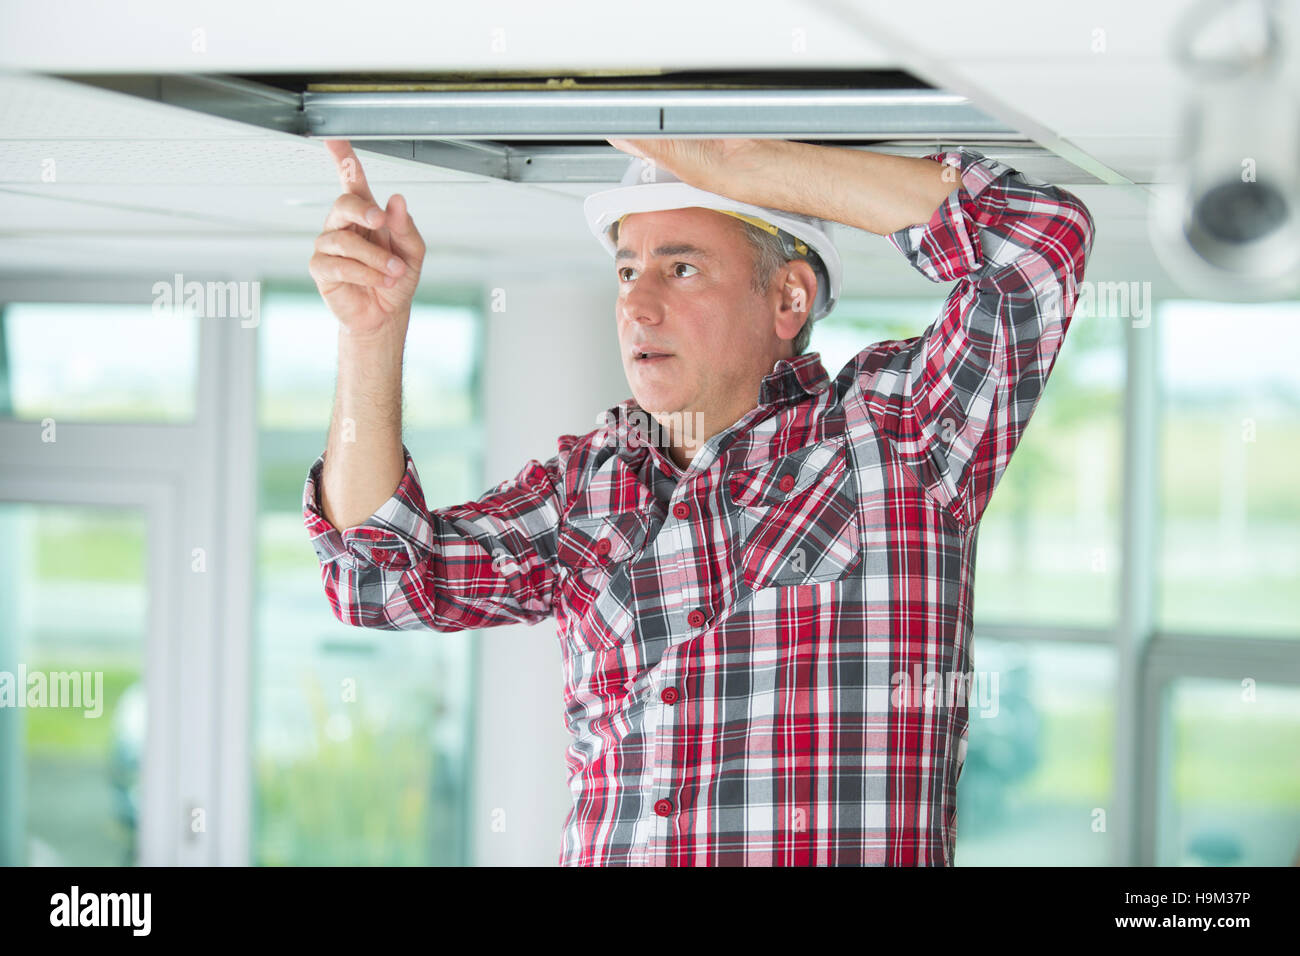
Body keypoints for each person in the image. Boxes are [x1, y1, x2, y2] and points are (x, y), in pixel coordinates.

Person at [303, 137, 1096, 866]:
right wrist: (370, 335)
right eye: (626, 270)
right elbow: (379, 579)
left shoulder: (899, 440)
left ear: (789, 297)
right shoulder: (587, 489)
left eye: (681, 269)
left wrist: (741, 165)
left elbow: (1035, 247)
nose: (636, 306)